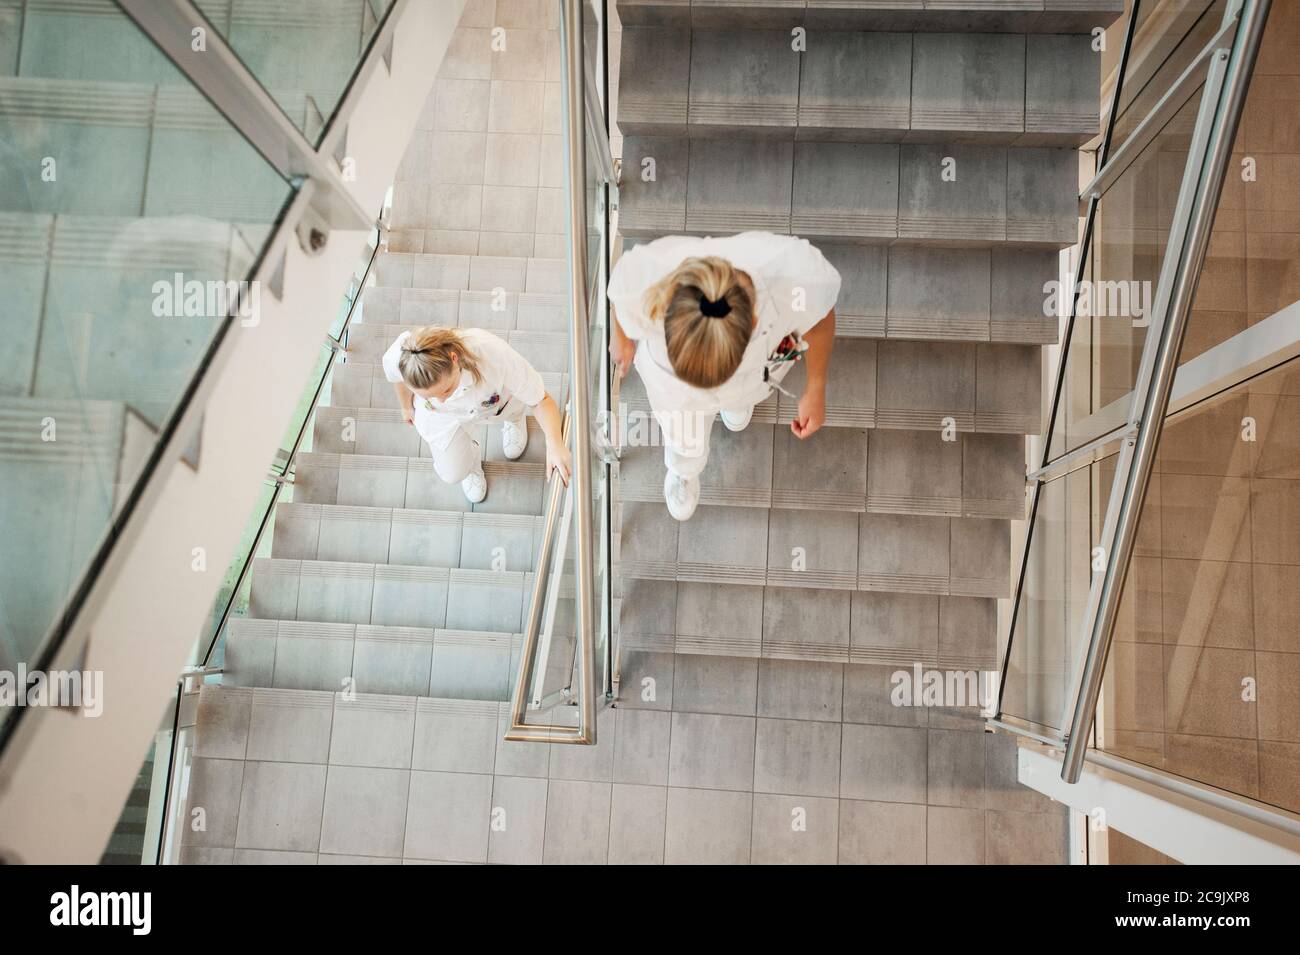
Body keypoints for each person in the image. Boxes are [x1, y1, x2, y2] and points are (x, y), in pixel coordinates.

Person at [606, 232, 840, 520]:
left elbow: (819, 317)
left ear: (754, 320)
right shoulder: (646, 277)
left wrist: (816, 386)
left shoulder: (796, 277)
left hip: (755, 376)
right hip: (676, 396)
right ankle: (684, 470)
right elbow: (619, 290)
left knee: (746, 392)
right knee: (683, 438)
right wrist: (621, 337)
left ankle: (736, 404)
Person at [383, 325, 570, 503]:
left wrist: (554, 442)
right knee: (453, 472)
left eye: (446, 390)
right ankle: (471, 464)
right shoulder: (403, 357)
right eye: (429, 396)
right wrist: (406, 407)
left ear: (454, 359)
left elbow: (540, 400)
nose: (441, 400)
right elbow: (395, 377)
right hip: (441, 419)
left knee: (511, 408)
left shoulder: (493, 355)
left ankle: (515, 420)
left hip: (497, 404)